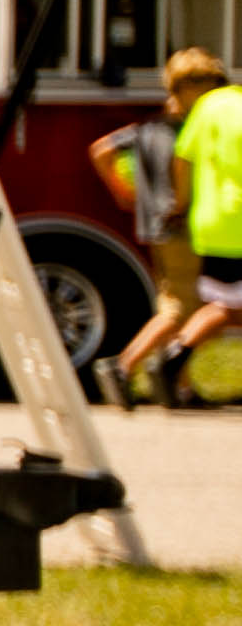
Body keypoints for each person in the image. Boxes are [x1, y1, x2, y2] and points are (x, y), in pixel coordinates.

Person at [90, 48, 221, 408]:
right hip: (180, 225)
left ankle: (179, 387)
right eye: (208, 86)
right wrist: (179, 205)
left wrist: (124, 193)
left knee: (173, 302)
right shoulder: (189, 129)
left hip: (153, 226)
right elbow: (186, 172)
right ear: (192, 88)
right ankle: (123, 365)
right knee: (183, 309)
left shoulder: (147, 127)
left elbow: (102, 150)